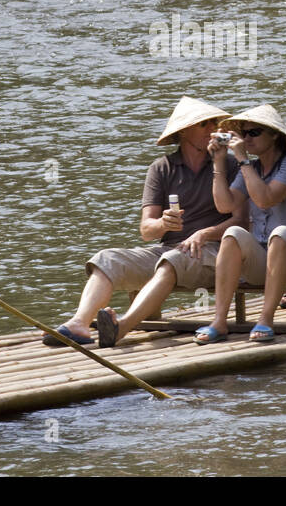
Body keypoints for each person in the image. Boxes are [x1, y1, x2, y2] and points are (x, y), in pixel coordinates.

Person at [49, 97, 241, 345]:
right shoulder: (161, 168)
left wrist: (204, 234)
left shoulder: (231, 164)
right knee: (106, 258)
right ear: (183, 132)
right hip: (169, 250)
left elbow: (242, 222)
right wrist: (163, 223)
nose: (213, 129)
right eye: (204, 124)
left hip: (214, 253)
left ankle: (121, 329)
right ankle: (79, 323)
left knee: (171, 261)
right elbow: (147, 231)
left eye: (215, 123)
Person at [198, 105, 286, 344]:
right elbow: (225, 206)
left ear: (274, 135)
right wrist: (218, 162)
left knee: (281, 233)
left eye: (254, 133)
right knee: (233, 233)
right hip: (266, 262)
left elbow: (265, 199)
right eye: (243, 134)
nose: (247, 139)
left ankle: (266, 318)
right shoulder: (252, 169)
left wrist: (242, 158)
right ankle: (219, 320)